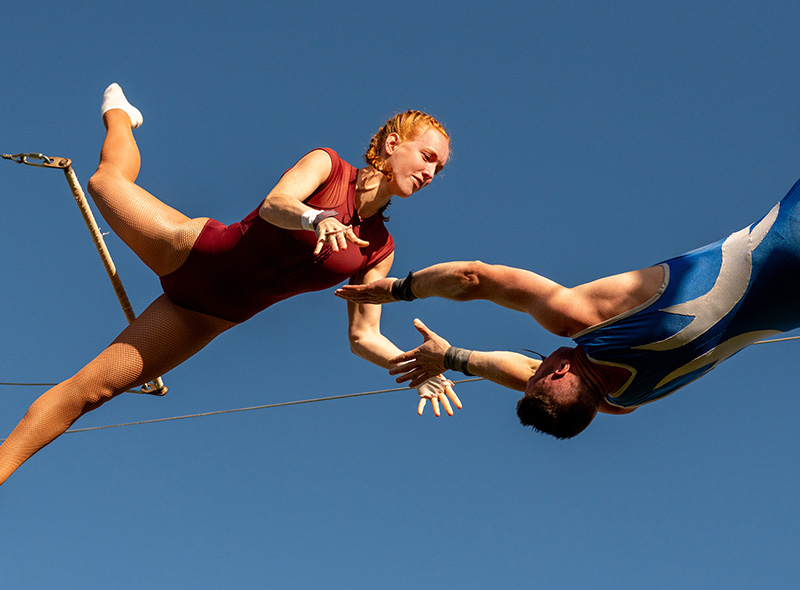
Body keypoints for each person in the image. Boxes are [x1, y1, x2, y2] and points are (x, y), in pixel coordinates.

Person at [0, 83, 460, 485]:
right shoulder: (329, 166)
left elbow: (363, 336)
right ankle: (119, 114)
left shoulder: (378, 247)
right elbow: (274, 204)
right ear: (394, 143)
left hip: (205, 316)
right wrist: (315, 217)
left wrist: (415, 365)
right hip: (193, 250)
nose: (429, 173)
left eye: (438, 171)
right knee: (105, 180)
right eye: (427, 157)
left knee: (89, 392)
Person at [336, 179, 800, 439]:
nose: (536, 362)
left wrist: (454, 357)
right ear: (556, 373)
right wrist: (401, 289)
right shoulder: (587, 321)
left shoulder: (624, 401)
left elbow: (532, 379)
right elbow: (473, 278)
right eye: (541, 368)